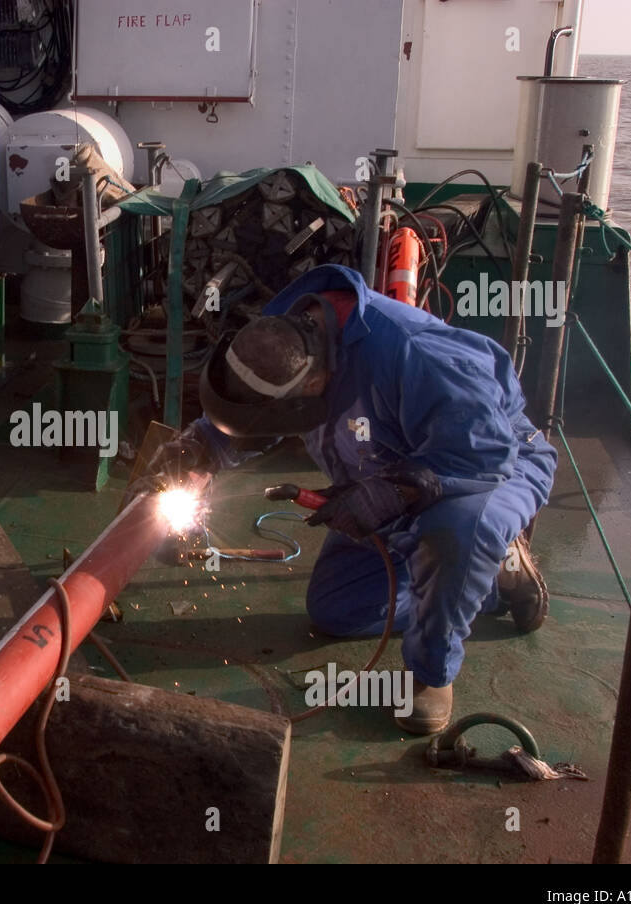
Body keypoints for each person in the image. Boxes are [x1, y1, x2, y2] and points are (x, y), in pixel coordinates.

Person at [156, 263, 558, 734]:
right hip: (382, 469)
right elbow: (262, 413)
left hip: (487, 464)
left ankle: (432, 671)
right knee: (337, 610)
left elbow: (484, 453)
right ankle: (488, 585)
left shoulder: (415, 354)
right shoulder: (285, 337)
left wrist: (394, 492)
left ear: (310, 387)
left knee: (455, 531)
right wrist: (203, 448)